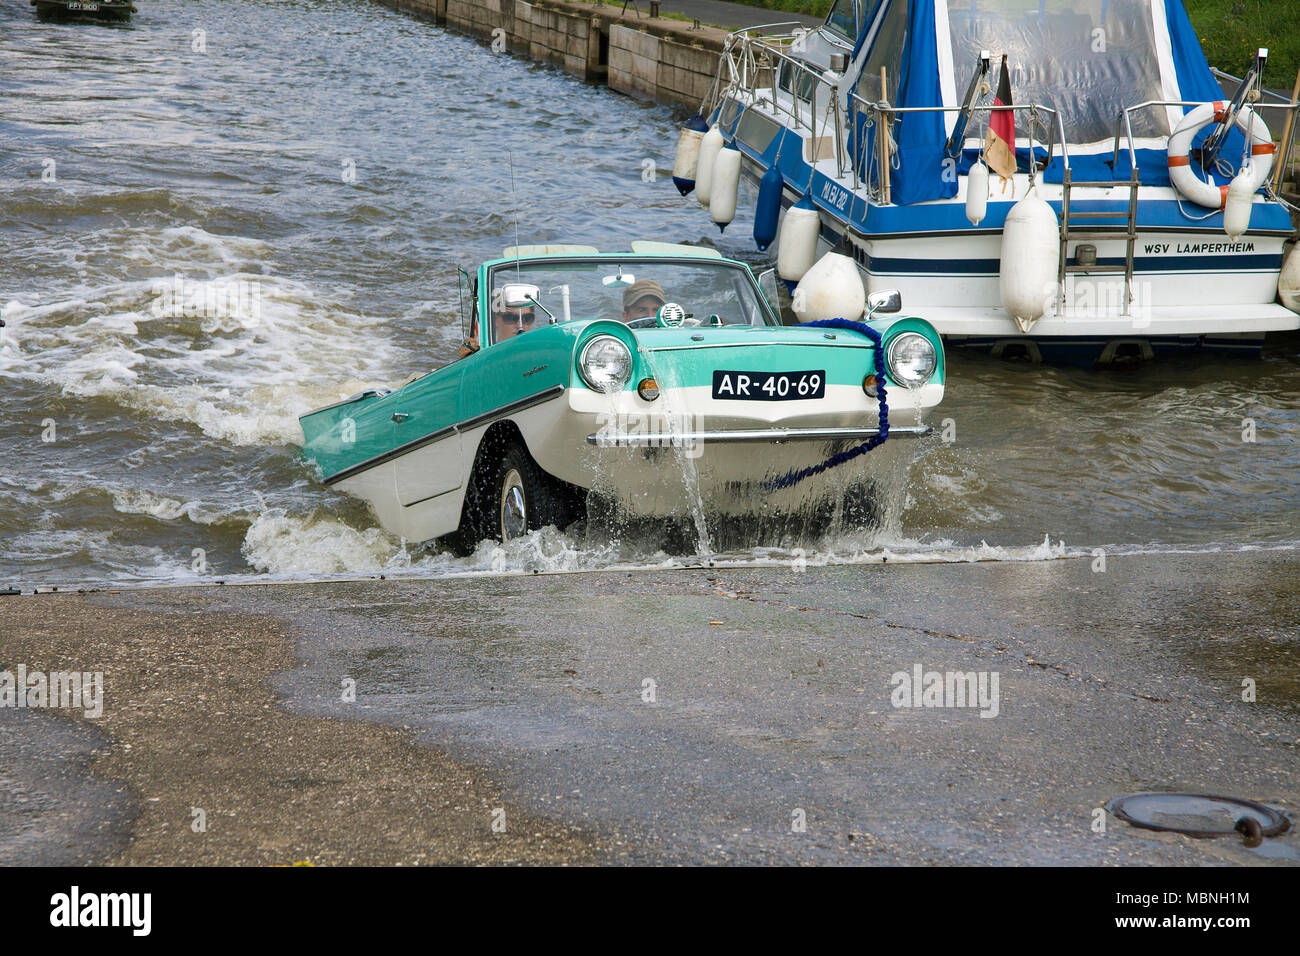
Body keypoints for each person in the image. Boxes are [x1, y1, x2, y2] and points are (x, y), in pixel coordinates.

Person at [457, 299, 538, 359]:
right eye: (510, 317)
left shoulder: (540, 353)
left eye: (527, 318)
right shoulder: (483, 358)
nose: (520, 325)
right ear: (495, 320)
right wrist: (467, 362)